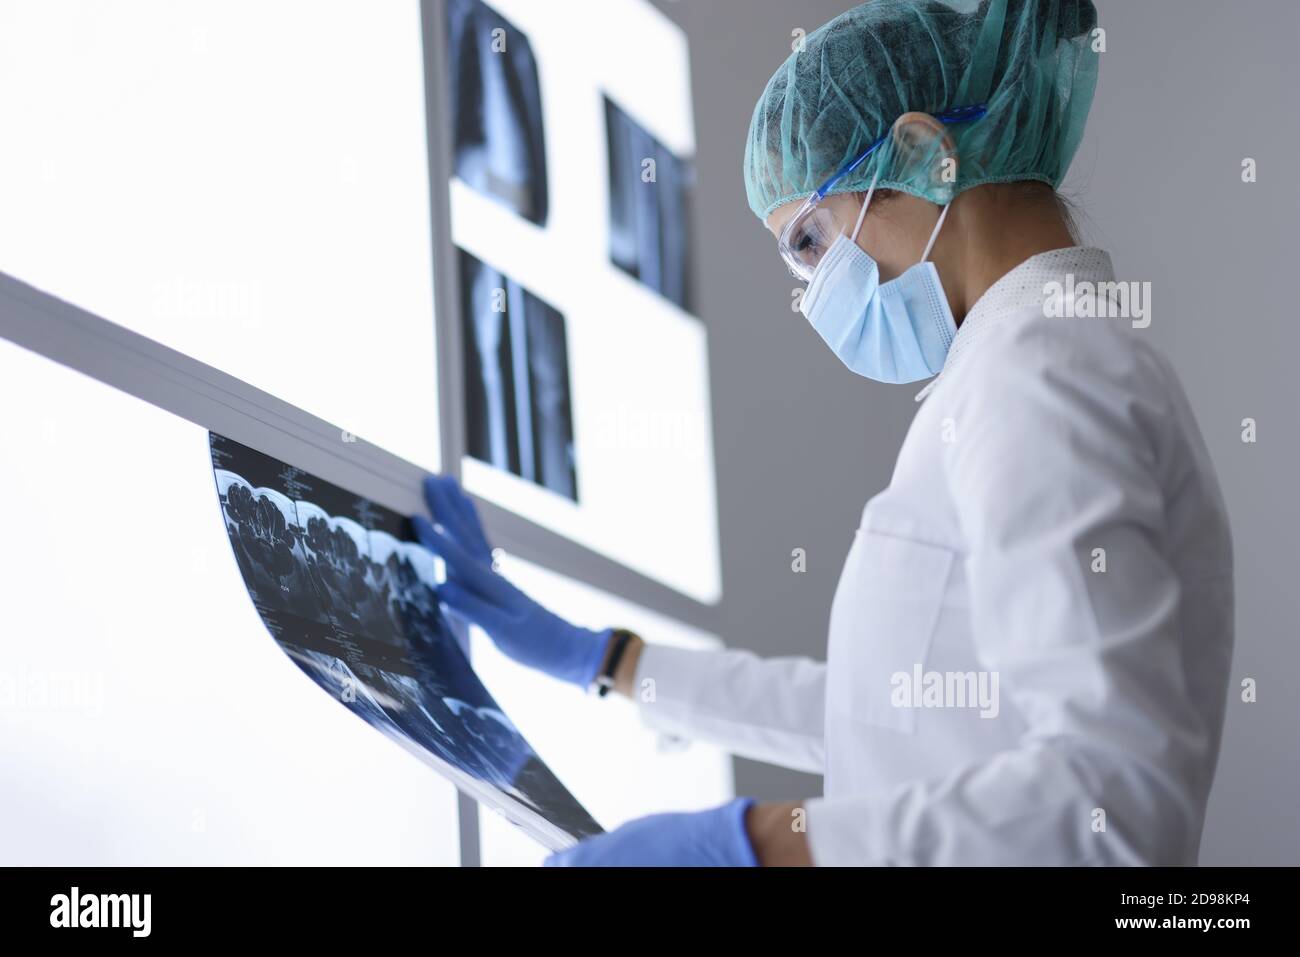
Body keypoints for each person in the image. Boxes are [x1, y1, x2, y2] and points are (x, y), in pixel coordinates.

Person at [413, 0, 1234, 866]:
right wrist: (612, 661)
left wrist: (758, 845)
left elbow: (1114, 804)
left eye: (809, 240)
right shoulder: (1023, 368)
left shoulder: (1045, 372)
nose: (813, 290)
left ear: (922, 153)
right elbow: (892, 710)